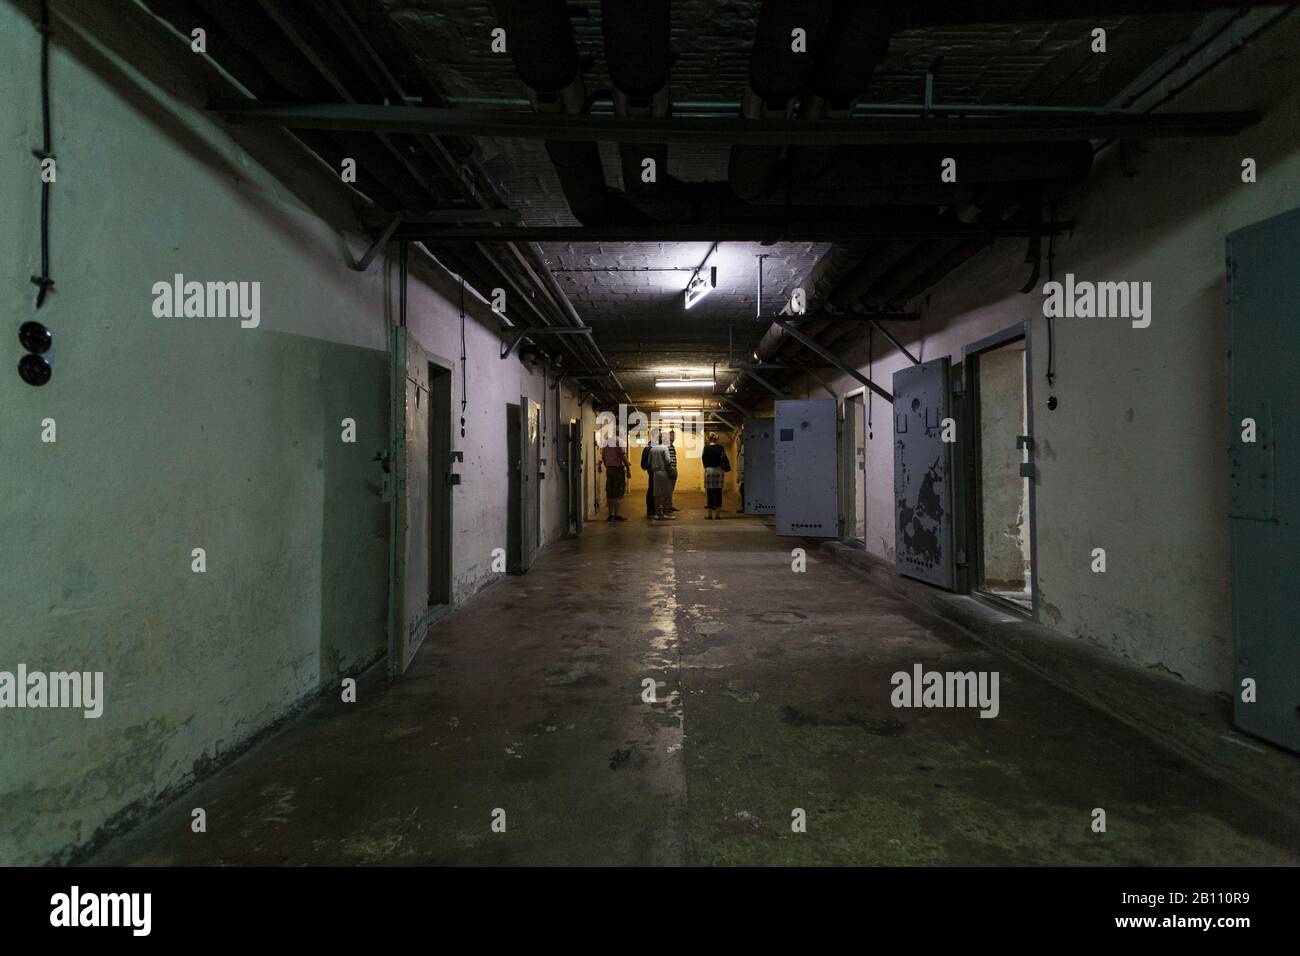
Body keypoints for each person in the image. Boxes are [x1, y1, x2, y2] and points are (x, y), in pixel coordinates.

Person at [647, 432, 677, 520]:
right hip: (664, 473)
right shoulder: (665, 449)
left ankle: (657, 514)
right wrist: (671, 472)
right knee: (666, 493)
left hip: (655, 473)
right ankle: (666, 513)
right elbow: (668, 461)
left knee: (657, 494)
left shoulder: (652, 449)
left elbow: (649, 462)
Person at [701, 432, 731, 519]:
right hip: (719, 471)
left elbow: (703, 460)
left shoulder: (705, 448)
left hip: (709, 471)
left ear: (708, 439)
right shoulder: (721, 448)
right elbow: (724, 459)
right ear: (716, 439)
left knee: (710, 493)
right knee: (718, 492)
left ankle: (710, 515)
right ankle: (718, 515)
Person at [600, 435, 631, 521]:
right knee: (617, 492)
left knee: (610, 492)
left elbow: (603, 458)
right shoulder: (619, 441)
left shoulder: (606, 443)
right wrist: (628, 469)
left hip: (609, 469)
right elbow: (623, 457)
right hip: (618, 470)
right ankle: (616, 515)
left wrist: (608, 467)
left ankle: (610, 515)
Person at [640, 433, 656, 517]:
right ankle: (651, 510)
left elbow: (643, 463)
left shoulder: (648, 446)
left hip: (651, 470)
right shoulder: (651, 447)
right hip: (653, 471)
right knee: (652, 490)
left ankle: (651, 509)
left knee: (652, 489)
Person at [665, 428, 680, 512]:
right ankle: (667, 506)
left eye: (674, 436)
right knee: (668, 489)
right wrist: (671, 469)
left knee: (671, 489)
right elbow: (668, 459)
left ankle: (669, 505)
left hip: (673, 469)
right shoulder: (667, 446)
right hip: (670, 470)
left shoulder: (671, 445)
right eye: (671, 436)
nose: (672, 437)